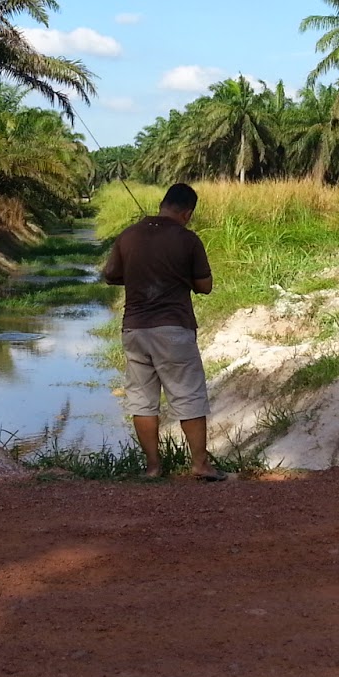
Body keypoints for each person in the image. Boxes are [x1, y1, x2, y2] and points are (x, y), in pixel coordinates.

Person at [103, 182, 225, 481]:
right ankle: (200, 465)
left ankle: (153, 467)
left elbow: (110, 275)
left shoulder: (128, 235)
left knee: (142, 401)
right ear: (187, 212)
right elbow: (205, 286)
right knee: (188, 396)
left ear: (163, 204)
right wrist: (181, 276)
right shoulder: (188, 239)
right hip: (173, 329)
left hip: (134, 329)